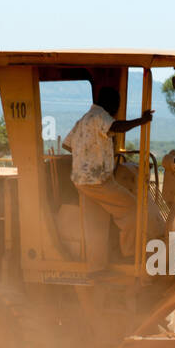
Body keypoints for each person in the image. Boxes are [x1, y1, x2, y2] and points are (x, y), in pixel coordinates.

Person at [63, 87, 161, 258]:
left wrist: (88, 154)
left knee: (103, 217)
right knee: (132, 208)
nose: (117, 111)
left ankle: (100, 261)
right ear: (112, 104)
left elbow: (67, 144)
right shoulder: (100, 116)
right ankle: (132, 254)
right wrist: (143, 120)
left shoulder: (85, 119)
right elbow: (117, 127)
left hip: (80, 180)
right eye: (118, 105)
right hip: (97, 181)